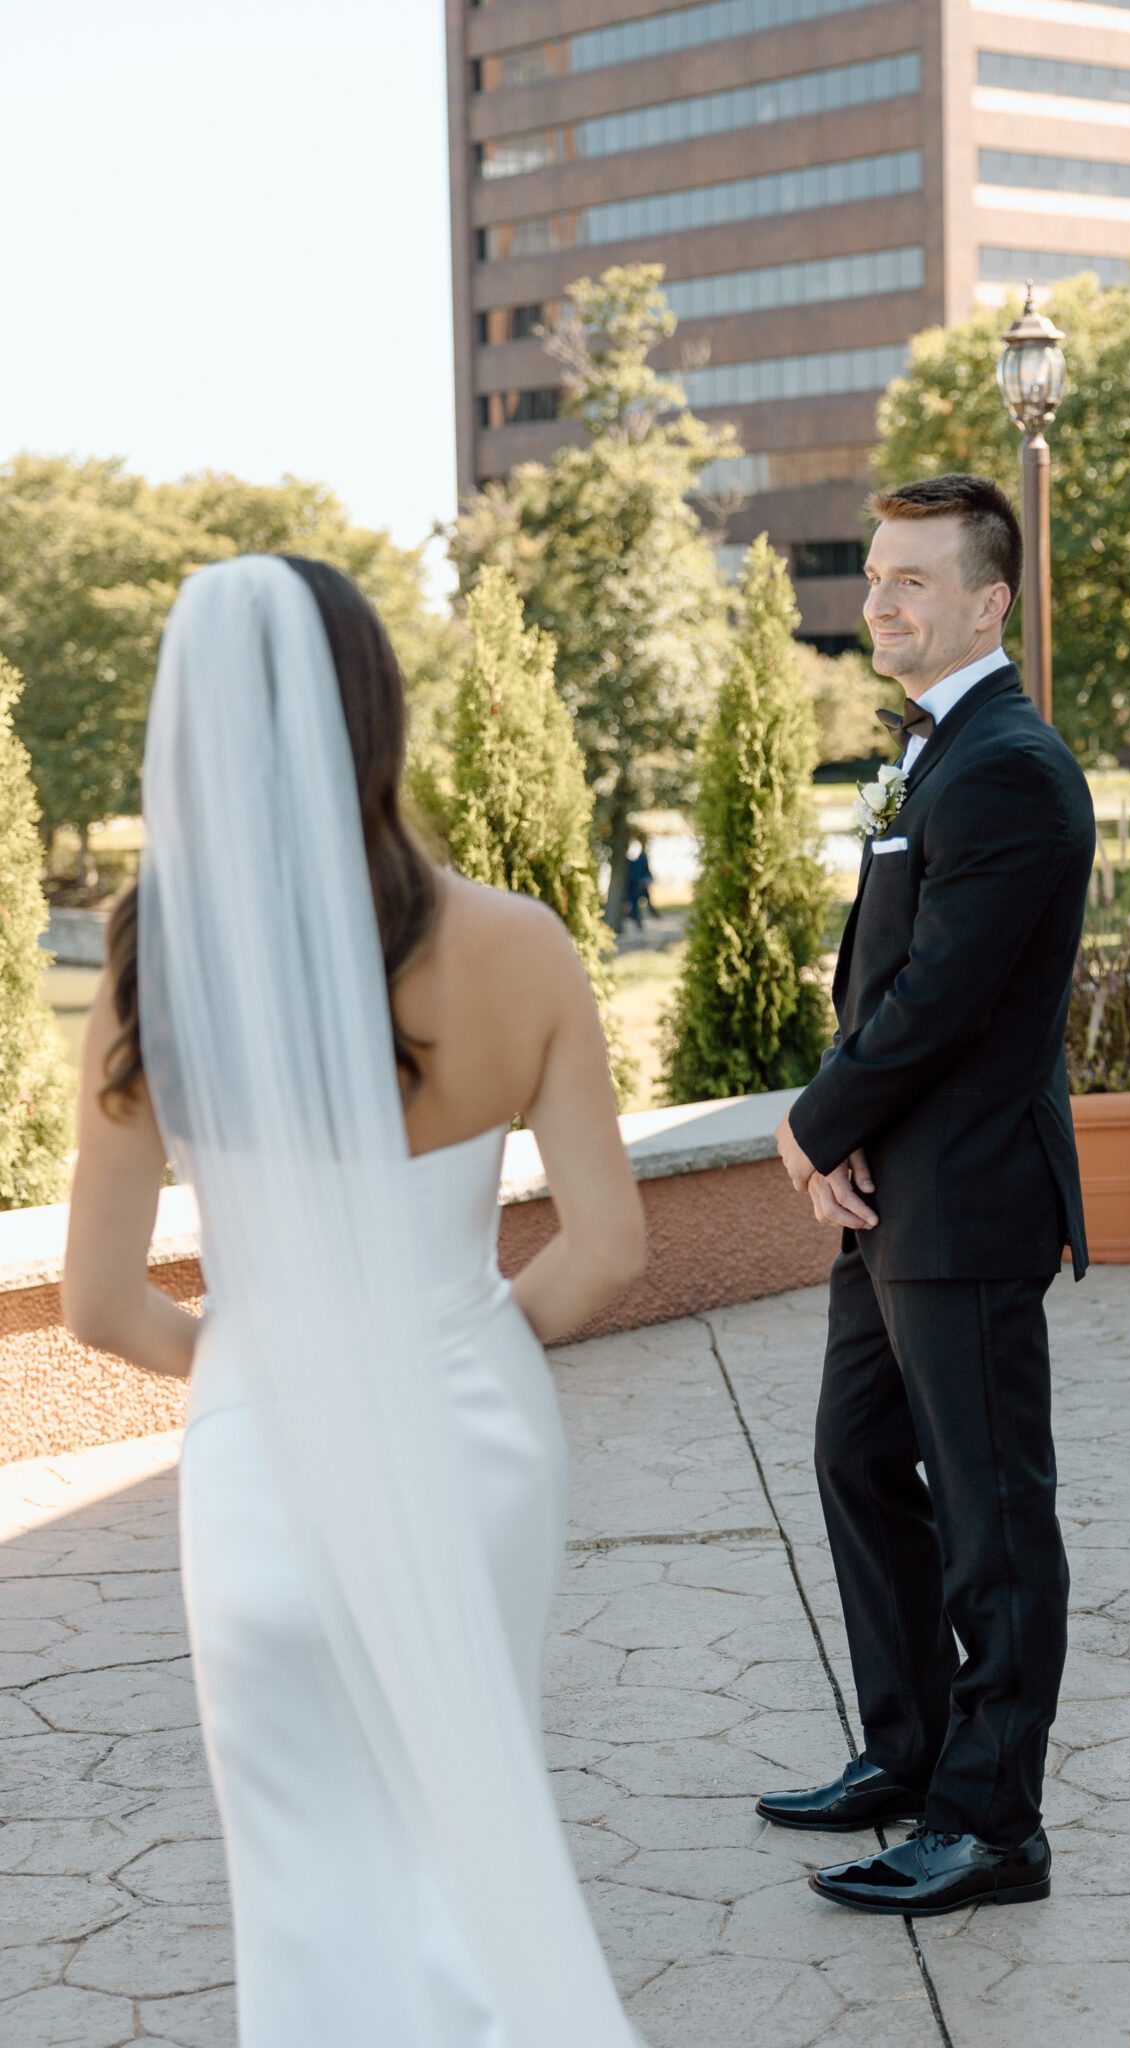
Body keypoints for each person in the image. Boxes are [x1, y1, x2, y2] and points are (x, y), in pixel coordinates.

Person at [62, 555, 648, 2045]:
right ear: (377, 711)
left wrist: (265, 1374)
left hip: (259, 1456)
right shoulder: (521, 944)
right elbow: (608, 1250)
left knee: (306, 1869)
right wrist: (455, 1346)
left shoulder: (153, 967)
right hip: (473, 1436)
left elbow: (100, 1304)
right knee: (464, 1809)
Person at [766, 475, 1095, 1918]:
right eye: (876, 575)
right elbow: (882, 972)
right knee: (854, 1461)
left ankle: (991, 1824)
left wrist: (814, 1118)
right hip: (886, 1189)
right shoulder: (933, 752)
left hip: (962, 1198)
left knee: (989, 1516)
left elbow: (945, 994)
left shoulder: (1010, 766)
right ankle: (905, 1753)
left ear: (988, 601)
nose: (881, 598)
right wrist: (843, 1142)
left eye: (913, 578)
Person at [624, 837, 656, 928]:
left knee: (645, 900)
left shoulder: (642, 858)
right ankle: (637, 919)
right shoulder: (629, 860)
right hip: (632, 884)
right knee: (634, 902)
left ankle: (640, 917)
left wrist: (646, 880)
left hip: (641, 883)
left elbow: (646, 870)